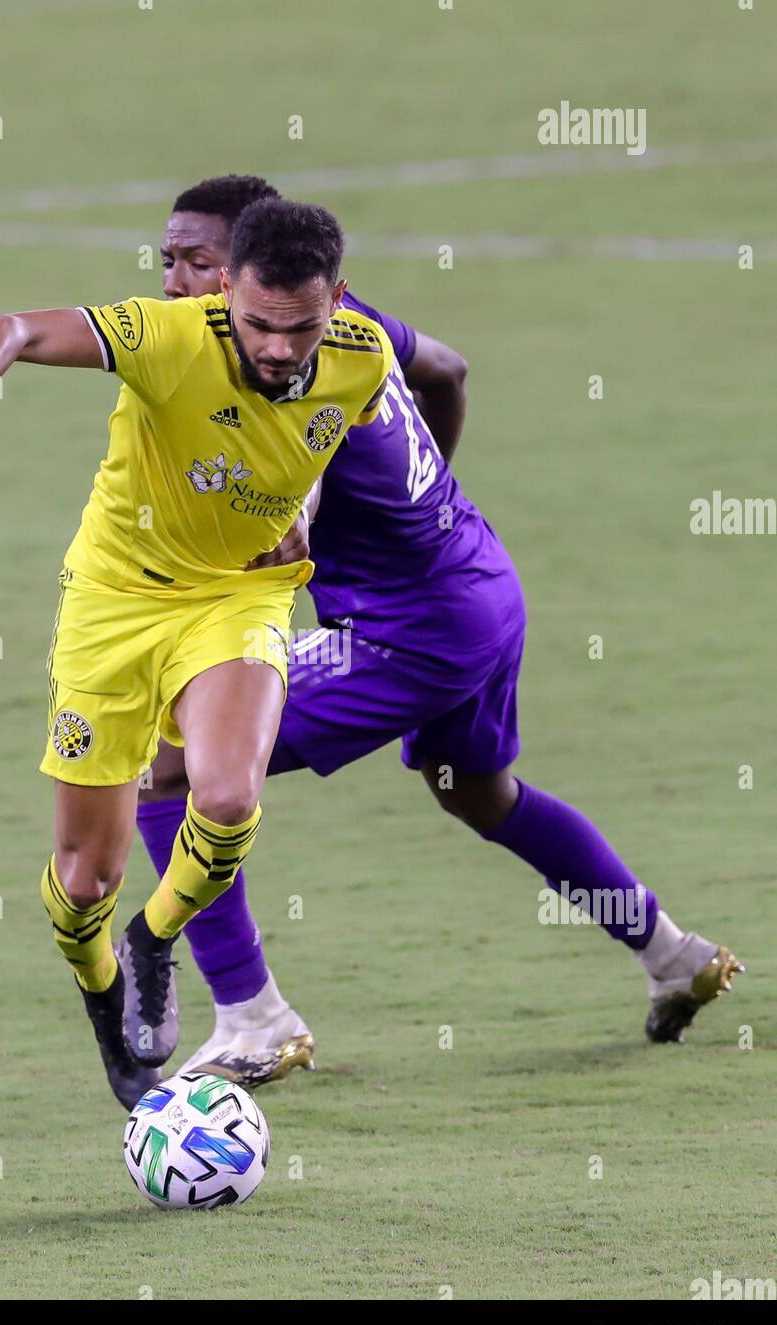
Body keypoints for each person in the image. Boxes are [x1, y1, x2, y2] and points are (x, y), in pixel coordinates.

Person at [127, 175, 743, 1087]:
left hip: (407, 629)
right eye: (167, 258)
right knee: (478, 794)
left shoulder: (268, 365)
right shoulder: (335, 318)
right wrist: (420, 495)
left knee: (168, 756)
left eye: (198, 263)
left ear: (244, 276)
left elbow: (294, 489)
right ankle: (672, 953)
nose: (176, 280)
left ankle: (252, 1016)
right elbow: (447, 370)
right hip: (479, 581)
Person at [0, 197, 394, 1109]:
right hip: (113, 606)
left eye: (302, 328)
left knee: (225, 792)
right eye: (257, 325)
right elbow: (3, 327)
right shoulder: (167, 337)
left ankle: (154, 942)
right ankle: (102, 994)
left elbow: (319, 448)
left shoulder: (364, 359)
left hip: (236, 597)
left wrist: (298, 516)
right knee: (85, 877)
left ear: (337, 303)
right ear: (228, 300)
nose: (280, 349)